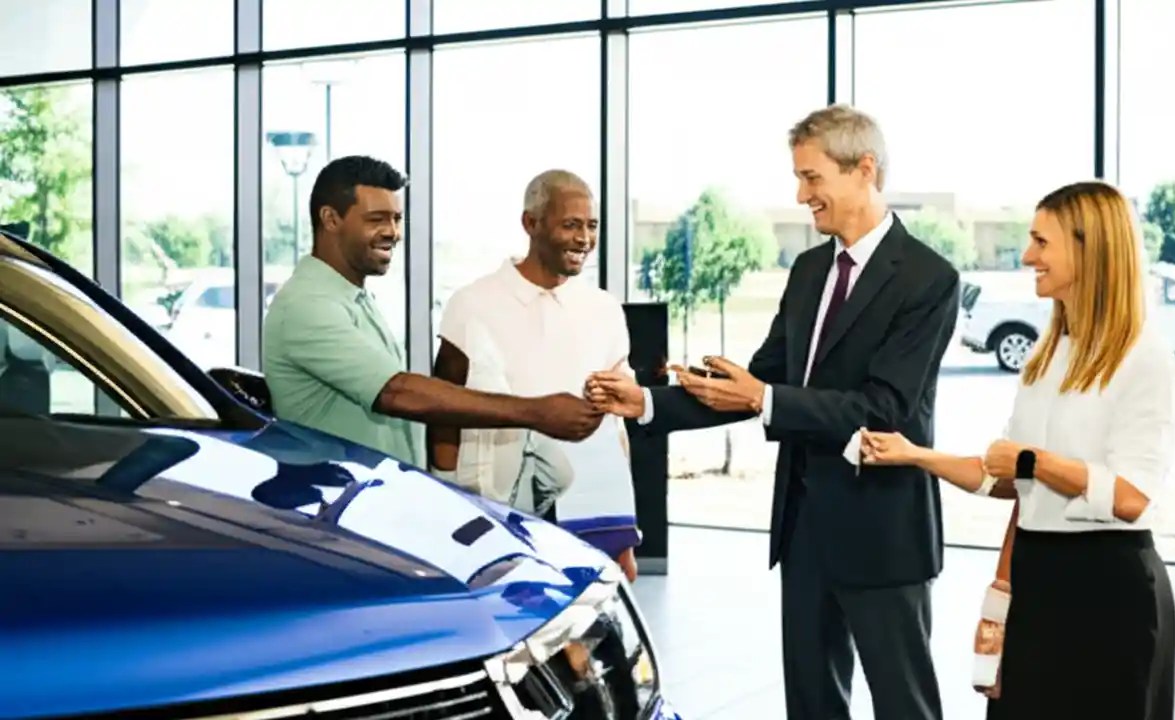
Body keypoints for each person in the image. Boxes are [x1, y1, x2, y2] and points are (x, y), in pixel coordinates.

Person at [588, 104, 956, 719]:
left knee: (904, 706)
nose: (801, 194)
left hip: (884, 532)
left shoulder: (927, 277)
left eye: (813, 178)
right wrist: (649, 402)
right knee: (811, 704)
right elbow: (761, 380)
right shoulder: (811, 269)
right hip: (804, 527)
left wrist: (762, 398)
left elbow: (884, 409)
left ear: (864, 169)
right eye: (799, 177)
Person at [861, 180, 1175, 720]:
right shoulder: (1047, 353)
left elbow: (1131, 497)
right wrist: (915, 455)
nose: (1028, 255)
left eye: (1041, 241)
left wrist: (1033, 463)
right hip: (1039, 574)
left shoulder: (1146, 361)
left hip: (1111, 590)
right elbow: (1009, 480)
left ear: (1089, 247)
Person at [262, 156, 603, 470]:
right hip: (338, 517)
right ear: (330, 219)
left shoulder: (353, 298)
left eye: (396, 219)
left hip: (374, 504)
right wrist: (536, 412)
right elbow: (397, 392)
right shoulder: (306, 305)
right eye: (376, 219)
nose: (393, 232)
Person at [429, 169, 641, 581]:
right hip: (497, 513)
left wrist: (623, 532)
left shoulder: (604, 310)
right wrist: (449, 509)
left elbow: (615, 431)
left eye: (591, 226)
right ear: (531, 224)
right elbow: (443, 412)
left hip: (587, 512)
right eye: (570, 225)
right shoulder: (472, 304)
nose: (584, 238)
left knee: (584, 638)